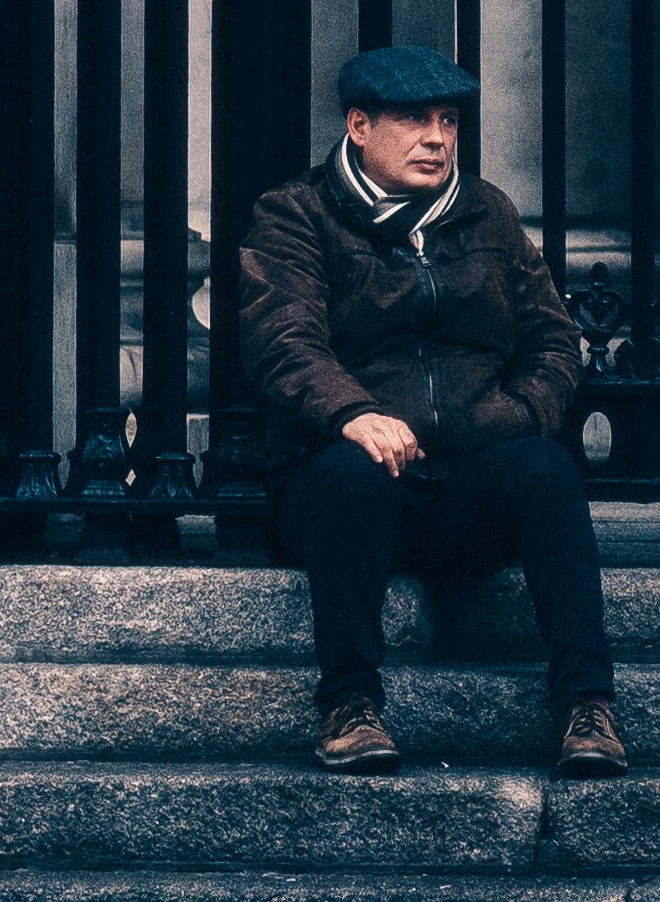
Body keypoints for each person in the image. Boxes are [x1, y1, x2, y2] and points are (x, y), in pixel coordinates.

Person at [237, 43, 627, 778]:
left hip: (468, 481)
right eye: (414, 120)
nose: (437, 138)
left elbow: (553, 338)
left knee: (546, 470)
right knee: (351, 475)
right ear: (359, 125)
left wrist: (517, 413)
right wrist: (352, 413)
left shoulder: (486, 212)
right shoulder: (296, 214)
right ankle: (349, 707)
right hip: (353, 487)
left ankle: (588, 707)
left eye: (447, 121)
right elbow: (281, 338)